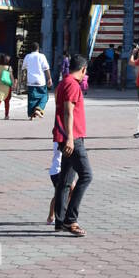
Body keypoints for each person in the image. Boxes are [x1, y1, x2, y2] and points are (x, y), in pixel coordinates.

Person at [53, 54, 92, 237]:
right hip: (72, 137)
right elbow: (68, 111)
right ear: (83, 69)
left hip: (65, 136)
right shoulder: (72, 85)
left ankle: (60, 220)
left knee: (65, 181)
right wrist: (70, 137)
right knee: (86, 175)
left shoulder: (63, 83)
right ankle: (70, 219)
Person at [46, 141, 76, 226]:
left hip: (66, 170)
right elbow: (65, 150)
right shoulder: (60, 138)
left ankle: (63, 213)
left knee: (71, 191)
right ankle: (51, 217)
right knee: (60, 194)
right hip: (57, 171)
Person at [22, 42, 52, 119]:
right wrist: (49, 78)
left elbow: (24, 69)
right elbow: (46, 68)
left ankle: (32, 115)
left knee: (32, 99)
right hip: (40, 81)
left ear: (31, 49)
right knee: (44, 96)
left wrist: (24, 79)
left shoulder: (27, 56)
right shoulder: (41, 56)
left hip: (31, 81)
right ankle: (39, 109)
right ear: (38, 48)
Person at [0, 56, 14, 120]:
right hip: (7, 86)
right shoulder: (9, 68)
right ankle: (6, 115)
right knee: (7, 102)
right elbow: (11, 77)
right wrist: (13, 84)